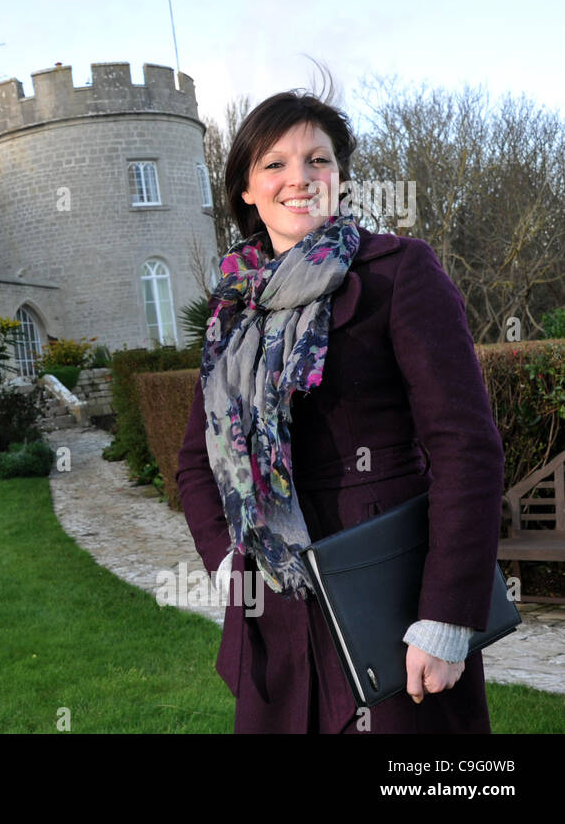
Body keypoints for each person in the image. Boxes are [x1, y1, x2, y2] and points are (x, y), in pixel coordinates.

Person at [174, 86, 504, 733]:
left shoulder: (397, 272)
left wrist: (446, 615)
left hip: (389, 598)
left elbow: (466, 445)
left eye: (317, 161)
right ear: (246, 188)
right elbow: (195, 463)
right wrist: (226, 564)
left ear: (340, 177)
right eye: (275, 164)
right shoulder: (235, 310)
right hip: (276, 608)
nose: (299, 178)